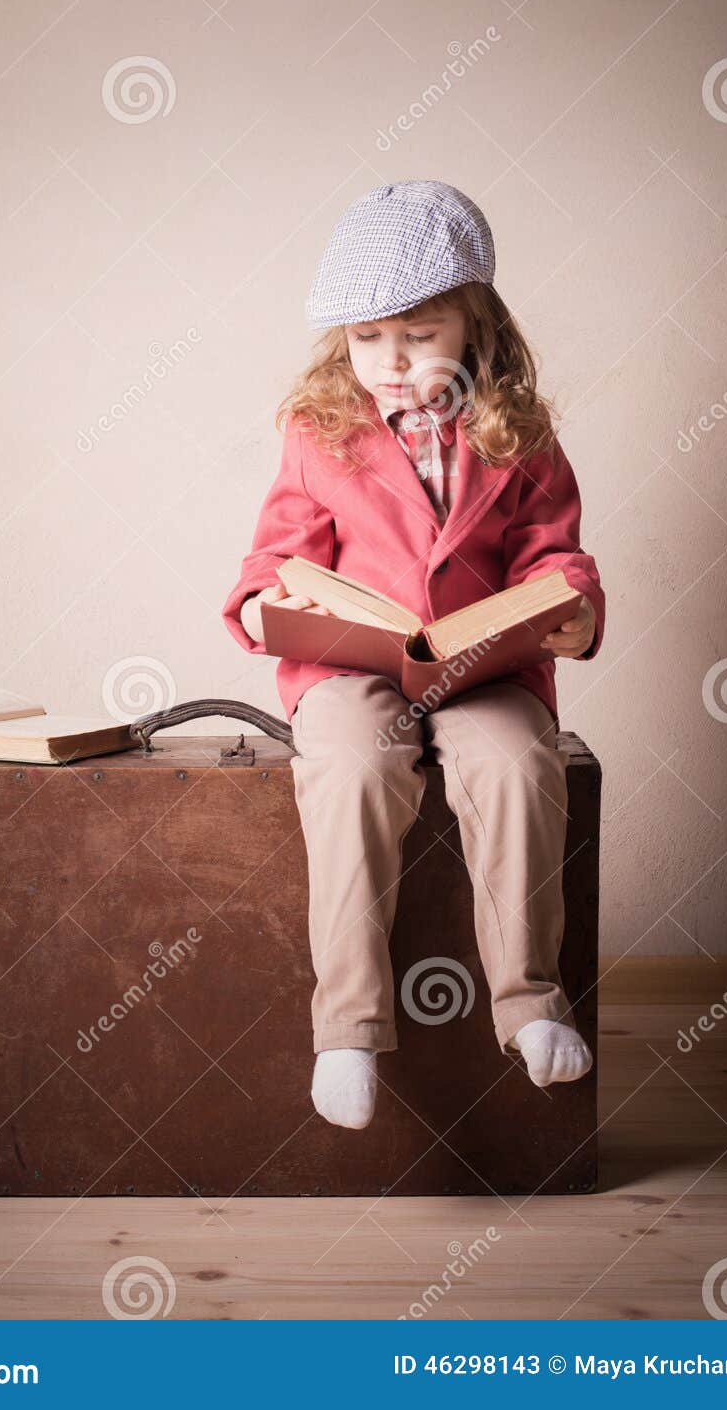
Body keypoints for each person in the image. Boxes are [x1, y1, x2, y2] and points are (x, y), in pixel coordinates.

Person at [221, 181, 606, 1130]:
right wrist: (267, 597)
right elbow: (275, 552)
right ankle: (346, 1025)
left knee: (519, 764)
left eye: (418, 334)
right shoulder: (319, 432)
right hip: (353, 669)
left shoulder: (520, 435)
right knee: (350, 766)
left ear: (475, 323)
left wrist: (575, 610)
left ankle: (527, 1003)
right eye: (364, 340)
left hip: (481, 669)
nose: (387, 365)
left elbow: (551, 551)